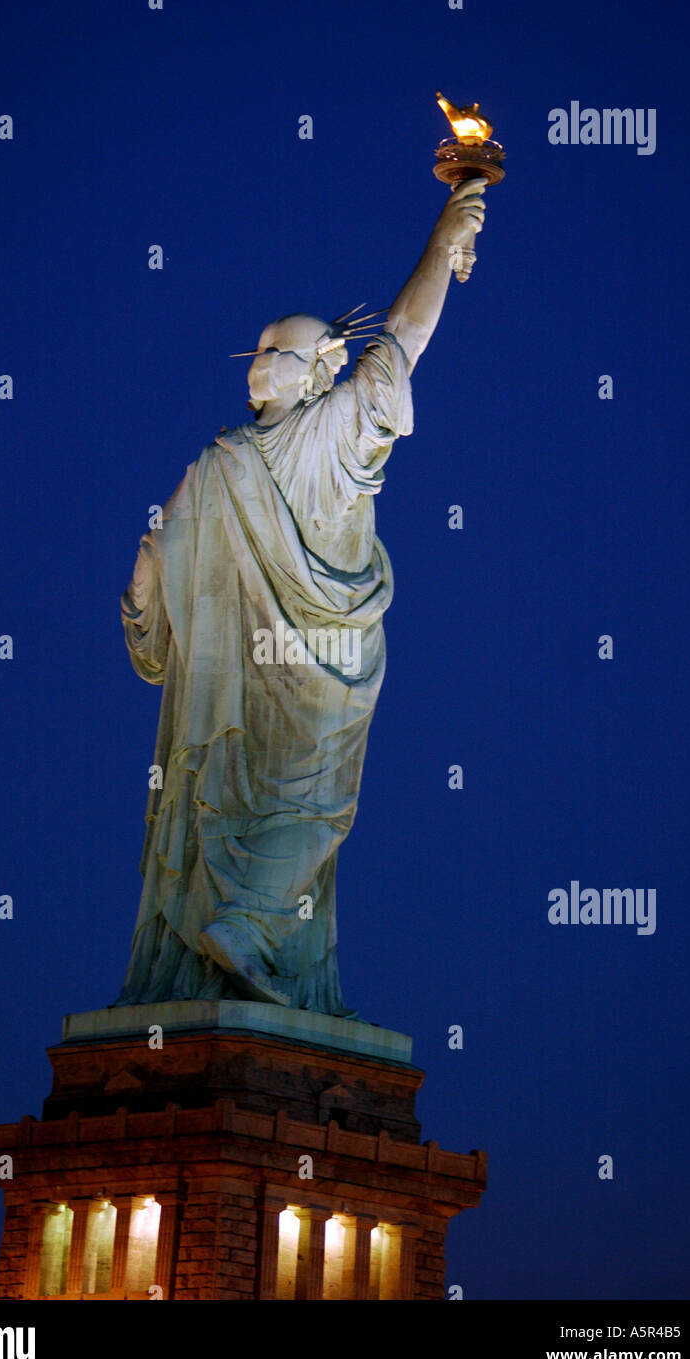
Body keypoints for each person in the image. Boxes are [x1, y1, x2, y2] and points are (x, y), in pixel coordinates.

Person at [115, 179, 487, 1012]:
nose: (255, 362)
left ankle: (245, 937)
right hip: (259, 675)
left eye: (273, 350)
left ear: (317, 371)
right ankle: (236, 941)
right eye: (256, 348)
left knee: (302, 810)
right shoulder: (221, 463)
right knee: (289, 808)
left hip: (315, 665)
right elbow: (155, 579)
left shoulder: (335, 430)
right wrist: (146, 586)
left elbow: (403, 338)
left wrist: (444, 235)